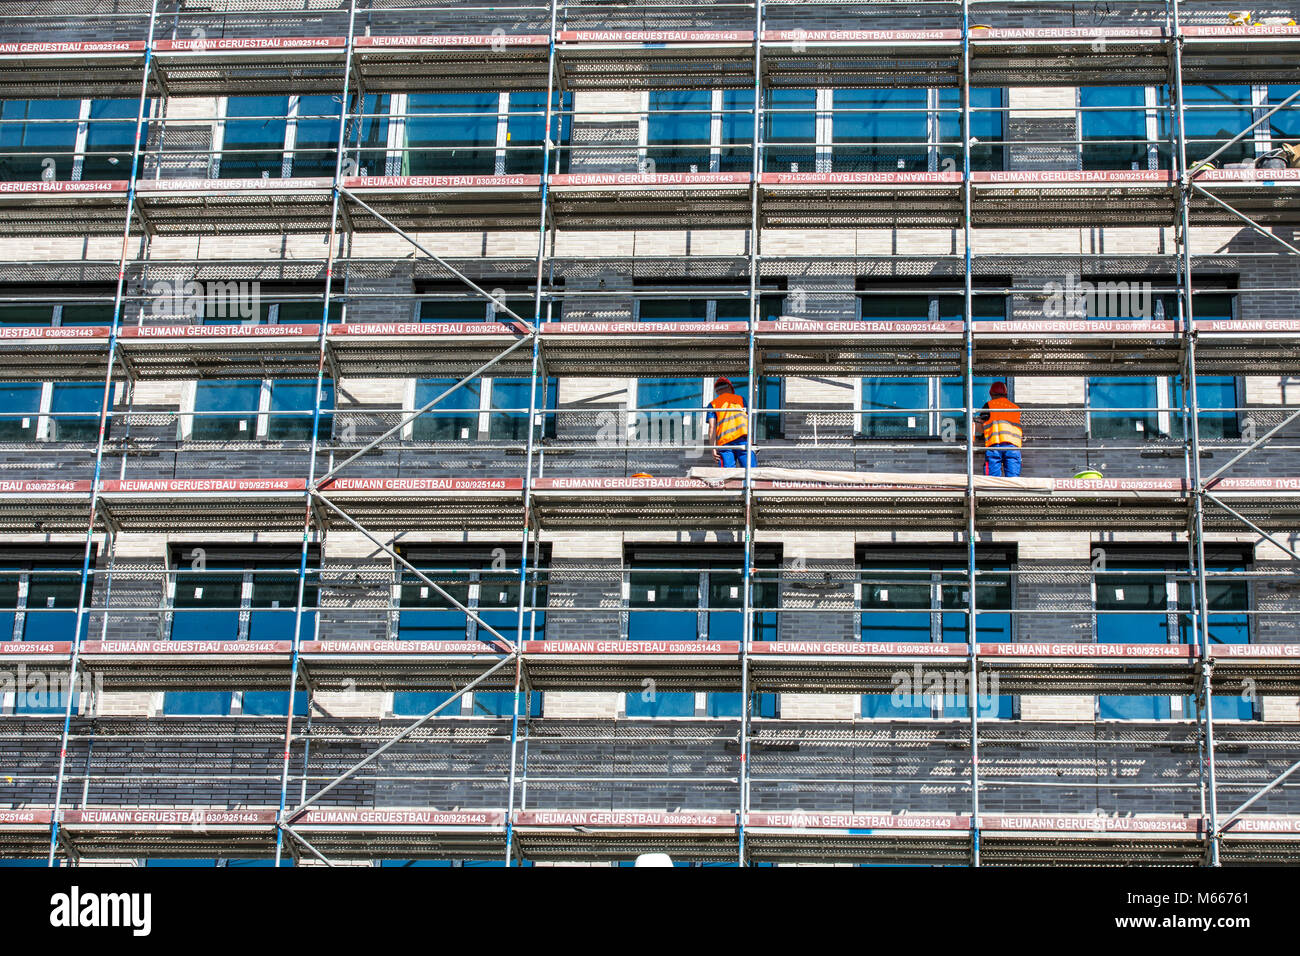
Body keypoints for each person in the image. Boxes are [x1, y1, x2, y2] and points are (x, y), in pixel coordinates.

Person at [706, 377, 755, 468]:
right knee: (750, 471)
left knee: (727, 473)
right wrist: (751, 439)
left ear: (717, 391)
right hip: (743, 440)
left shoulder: (713, 404)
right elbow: (748, 419)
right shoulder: (740, 400)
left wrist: (713, 449)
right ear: (731, 388)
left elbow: (712, 428)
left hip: (725, 443)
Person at [976, 381, 1022, 477]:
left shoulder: (989, 406)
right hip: (1013, 446)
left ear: (991, 394)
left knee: (992, 479)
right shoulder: (1015, 408)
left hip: (995, 444)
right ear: (1006, 394)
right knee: (1013, 478)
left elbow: (980, 427)